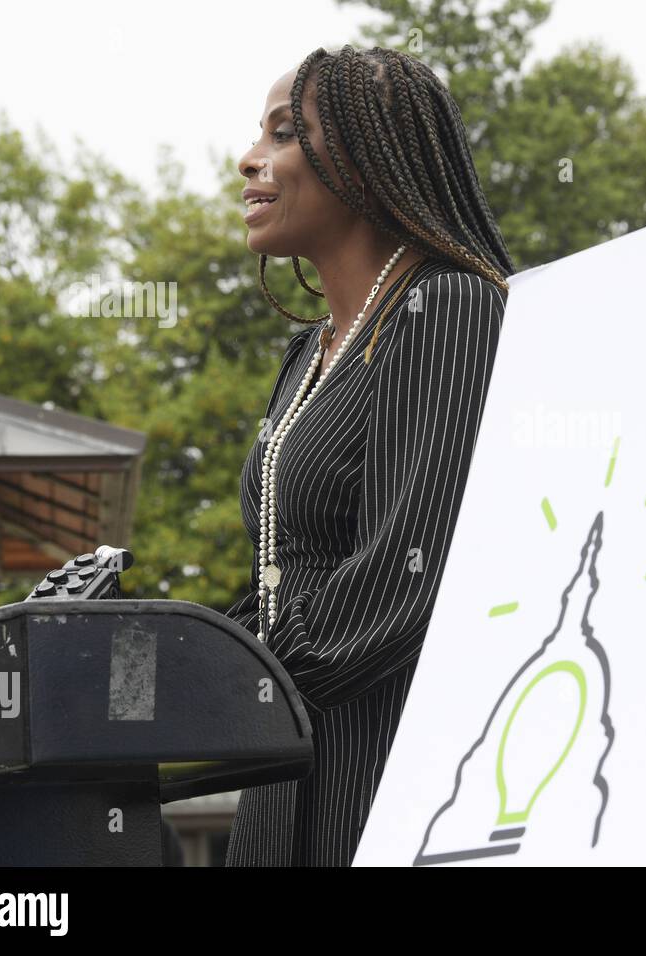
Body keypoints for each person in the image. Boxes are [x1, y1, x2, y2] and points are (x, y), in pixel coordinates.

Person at [224, 43, 515, 865]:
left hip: (385, 766)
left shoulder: (447, 309)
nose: (251, 159)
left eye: (285, 134)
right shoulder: (306, 357)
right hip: (282, 769)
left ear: (359, 159)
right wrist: (151, 658)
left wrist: (229, 688)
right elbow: (280, 580)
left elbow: (401, 582)